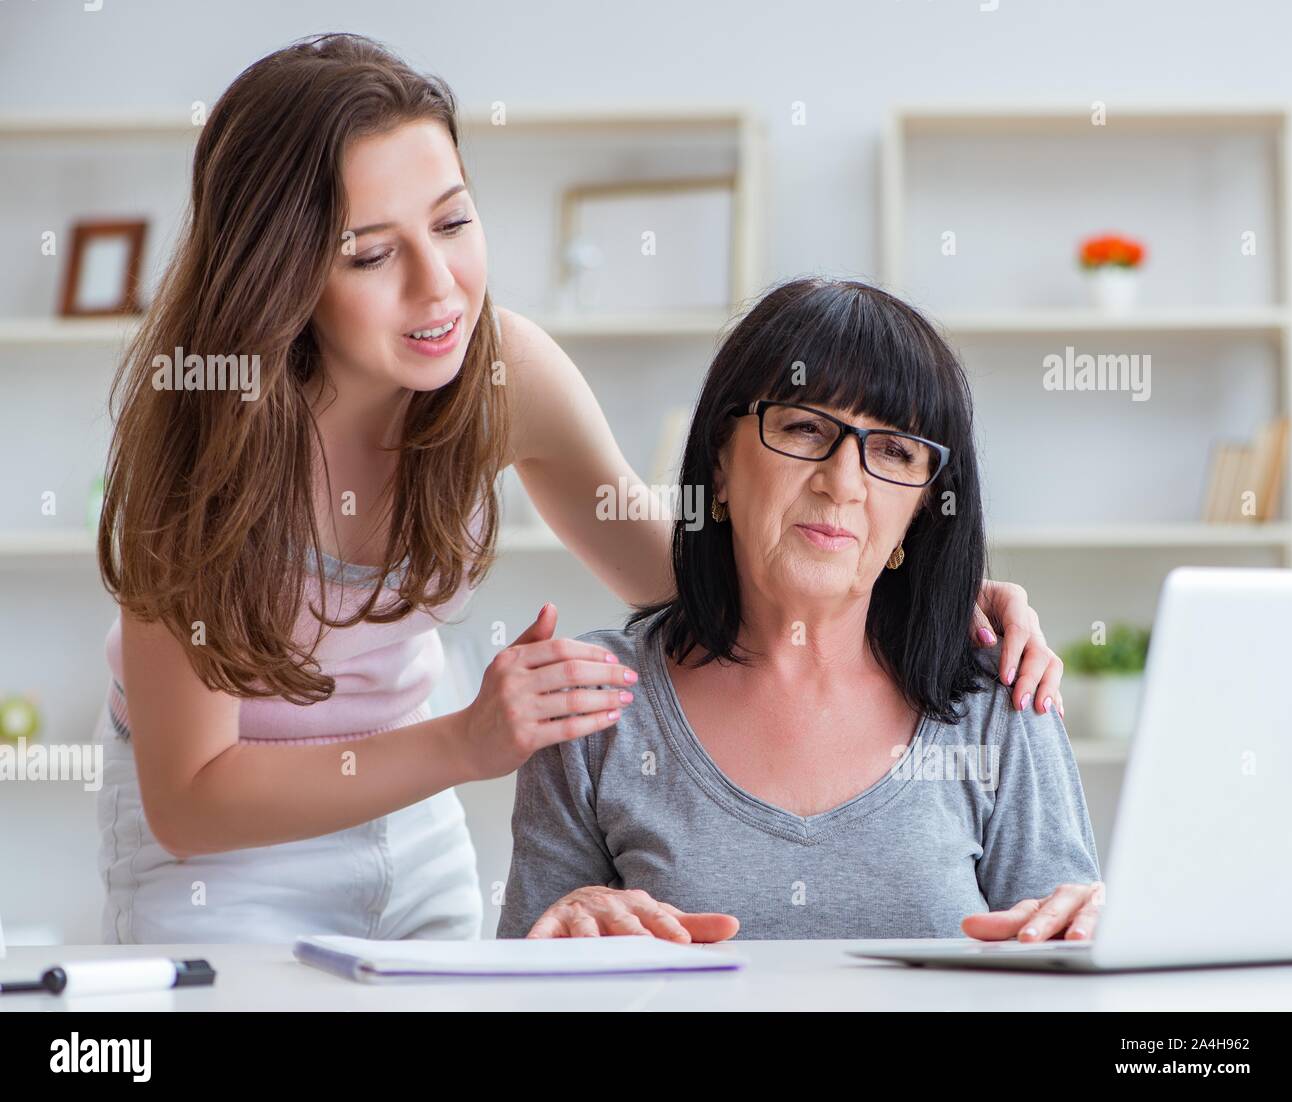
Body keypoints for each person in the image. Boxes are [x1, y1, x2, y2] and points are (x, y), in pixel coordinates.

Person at [95, 34, 1063, 944]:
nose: (440, 289)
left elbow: (684, 571)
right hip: (221, 849)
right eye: (371, 253)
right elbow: (189, 799)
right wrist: (472, 741)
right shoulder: (199, 438)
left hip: (405, 811)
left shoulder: (502, 372)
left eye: (453, 221)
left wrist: (929, 594)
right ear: (276, 269)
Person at [500, 278, 1101, 943]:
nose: (843, 483)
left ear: (923, 507)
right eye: (804, 428)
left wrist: (1103, 942)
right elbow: (522, 993)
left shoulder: (1001, 702)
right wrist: (558, 942)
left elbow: (1064, 977)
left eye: (895, 451)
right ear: (720, 465)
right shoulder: (595, 705)